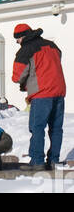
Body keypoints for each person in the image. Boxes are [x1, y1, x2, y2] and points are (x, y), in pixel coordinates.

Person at [12, 23, 66, 168]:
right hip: (59, 91)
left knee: (37, 127)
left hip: (42, 93)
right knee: (56, 128)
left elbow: (17, 76)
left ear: (22, 37)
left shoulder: (25, 50)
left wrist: (25, 82)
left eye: (17, 39)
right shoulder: (52, 45)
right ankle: (54, 160)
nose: (17, 42)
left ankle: (37, 161)